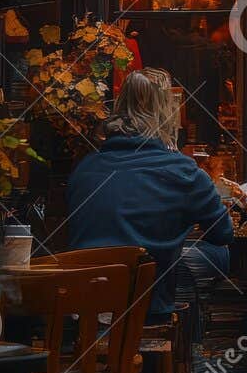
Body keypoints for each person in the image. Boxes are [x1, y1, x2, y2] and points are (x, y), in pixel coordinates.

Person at [67, 69, 234, 321]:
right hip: (147, 307)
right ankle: (187, 350)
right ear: (168, 112)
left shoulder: (86, 168)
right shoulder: (183, 171)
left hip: (86, 306)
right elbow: (223, 233)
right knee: (216, 255)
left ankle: (181, 347)